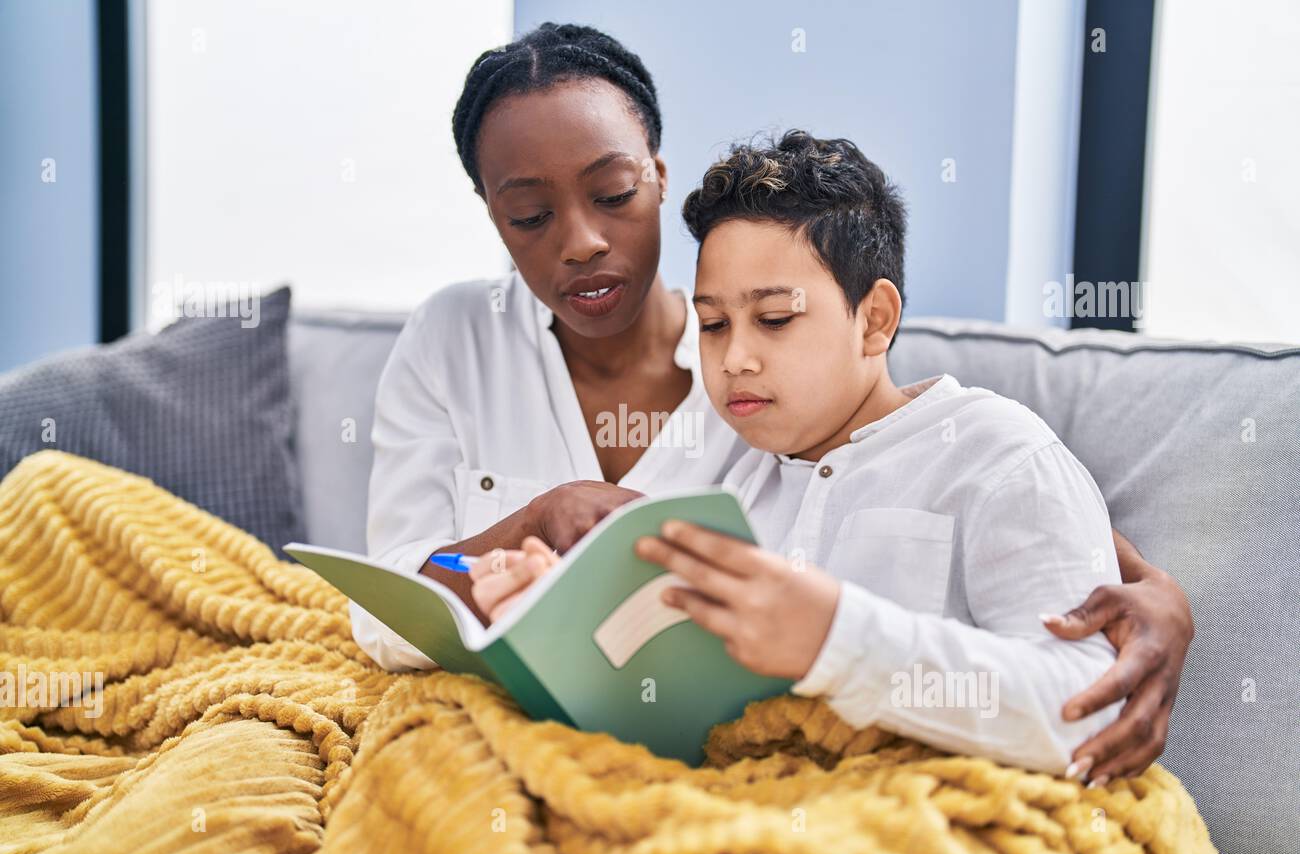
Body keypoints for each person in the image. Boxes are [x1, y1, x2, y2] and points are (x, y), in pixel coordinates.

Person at [357, 22, 1194, 786]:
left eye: (612, 195)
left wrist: (1163, 592)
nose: (580, 240)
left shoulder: (806, 420)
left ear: (656, 174)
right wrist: (529, 582)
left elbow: (999, 493)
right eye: (530, 214)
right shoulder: (761, 450)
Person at [474, 130, 1127, 775]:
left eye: (776, 319)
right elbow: (675, 704)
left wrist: (839, 638)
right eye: (712, 325)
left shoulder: (998, 454)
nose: (734, 360)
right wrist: (560, 629)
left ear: (874, 320)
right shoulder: (729, 473)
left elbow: (1087, 708)